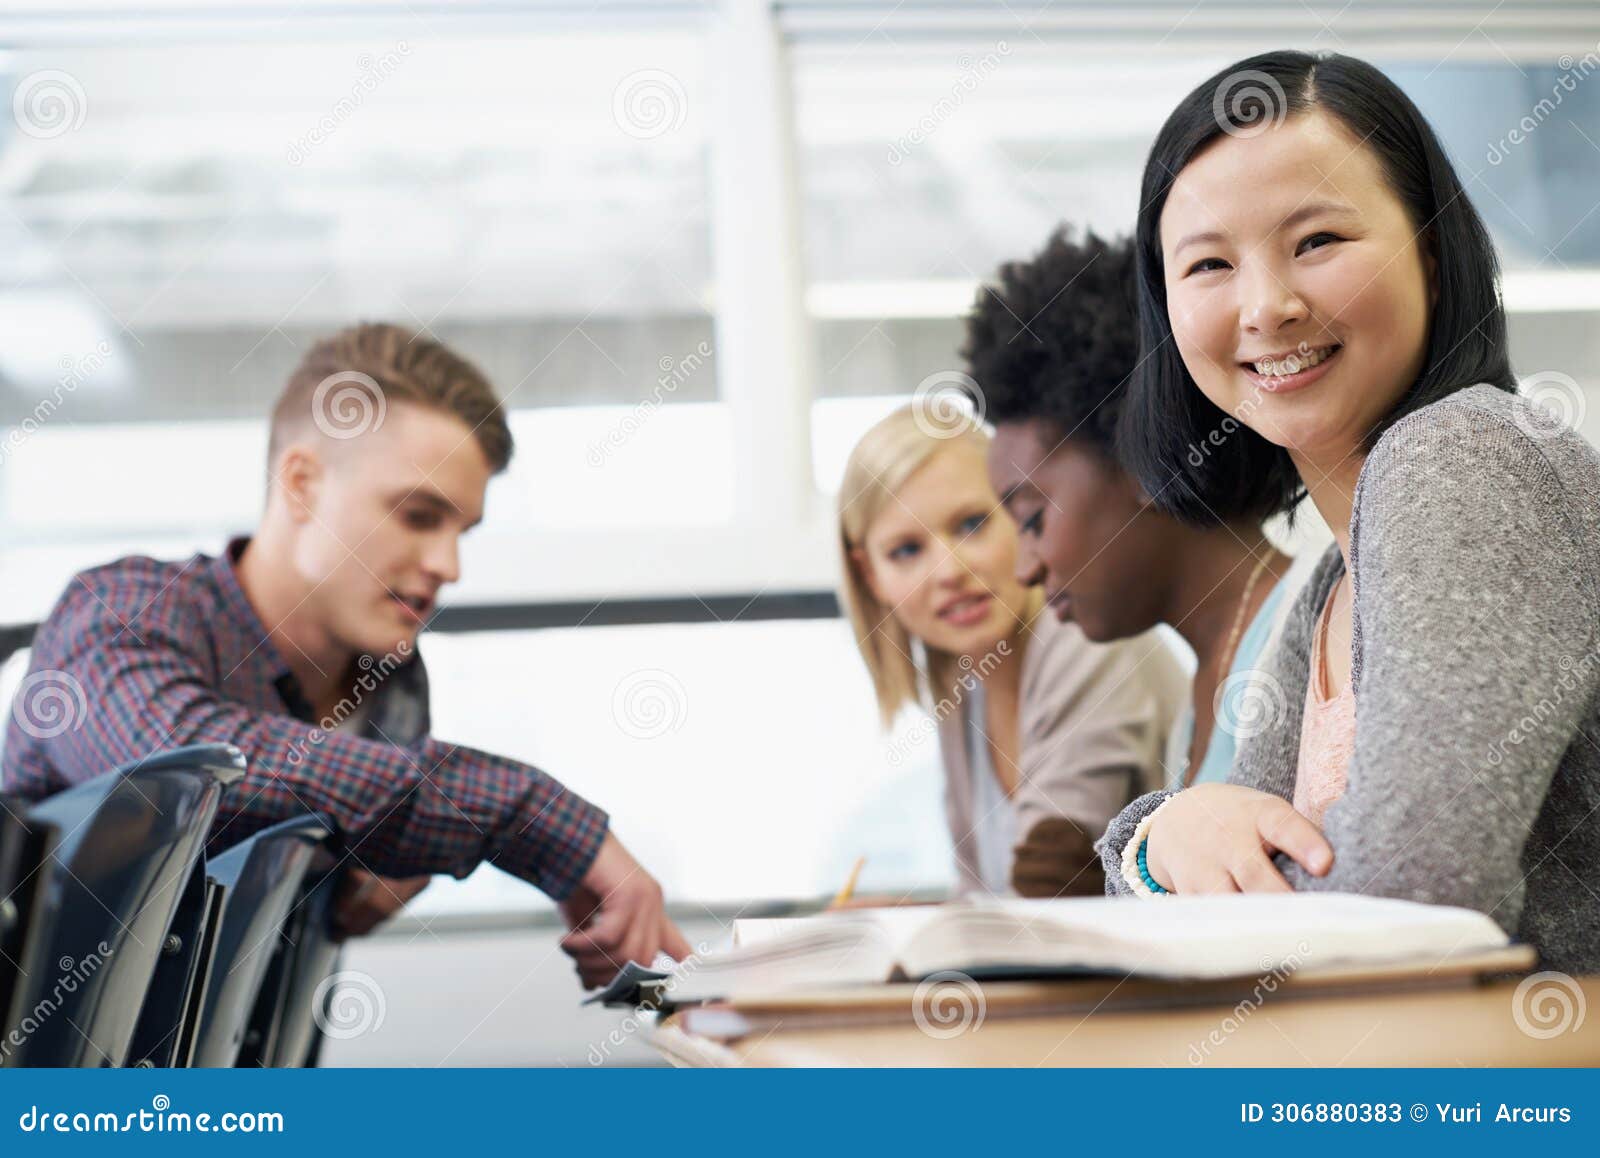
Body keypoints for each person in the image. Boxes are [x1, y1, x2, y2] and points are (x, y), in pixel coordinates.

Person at [1098, 50, 1598, 974]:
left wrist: (1169, 841)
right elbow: (1217, 892)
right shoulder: (1334, 577)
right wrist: (1160, 838)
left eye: (1317, 242)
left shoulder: (1465, 456)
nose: (1268, 306)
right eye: (1209, 264)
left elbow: (1414, 903)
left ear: (1435, 260)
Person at [3, 322, 688, 986]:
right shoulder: (118, 614)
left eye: (463, 531)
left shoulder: (389, 685)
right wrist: (530, 818)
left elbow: (348, 815)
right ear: (301, 483)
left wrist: (382, 858)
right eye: (418, 516)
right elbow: (179, 770)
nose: (448, 564)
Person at [965, 227, 1312, 789]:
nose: (1024, 567)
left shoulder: (1315, 646)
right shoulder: (1199, 705)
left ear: (1143, 460)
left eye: (1032, 519)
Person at [838, 404, 1186, 897]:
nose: (948, 571)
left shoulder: (1085, 640)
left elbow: (1055, 889)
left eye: (973, 524)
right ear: (870, 576)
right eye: (907, 551)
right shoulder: (963, 683)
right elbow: (989, 901)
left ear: (1018, 513)